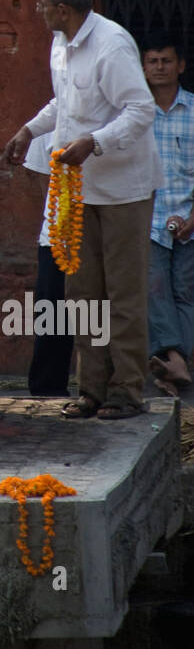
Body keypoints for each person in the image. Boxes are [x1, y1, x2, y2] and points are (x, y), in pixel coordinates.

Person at [4, 0, 163, 420]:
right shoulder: (60, 41)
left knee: (123, 294)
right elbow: (64, 104)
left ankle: (126, 391)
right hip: (77, 187)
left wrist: (93, 143)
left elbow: (140, 110)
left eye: (42, 3)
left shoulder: (112, 45)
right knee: (82, 293)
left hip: (123, 190)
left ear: (64, 7)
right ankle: (92, 388)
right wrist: (28, 130)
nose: (37, 10)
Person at [141, 32, 194, 395]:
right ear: (143, 68)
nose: (159, 67)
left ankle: (173, 370)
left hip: (190, 219)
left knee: (185, 294)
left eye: (166, 61)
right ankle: (177, 359)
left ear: (181, 66)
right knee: (154, 290)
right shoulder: (136, 115)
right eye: (152, 61)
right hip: (149, 220)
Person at [23, 134, 72, 398]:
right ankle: (48, 388)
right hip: (56, 233)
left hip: (103, 230)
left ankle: (103, 386)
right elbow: (42, 179)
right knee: (52, 309)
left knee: (99, 309)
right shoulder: (48, 122)